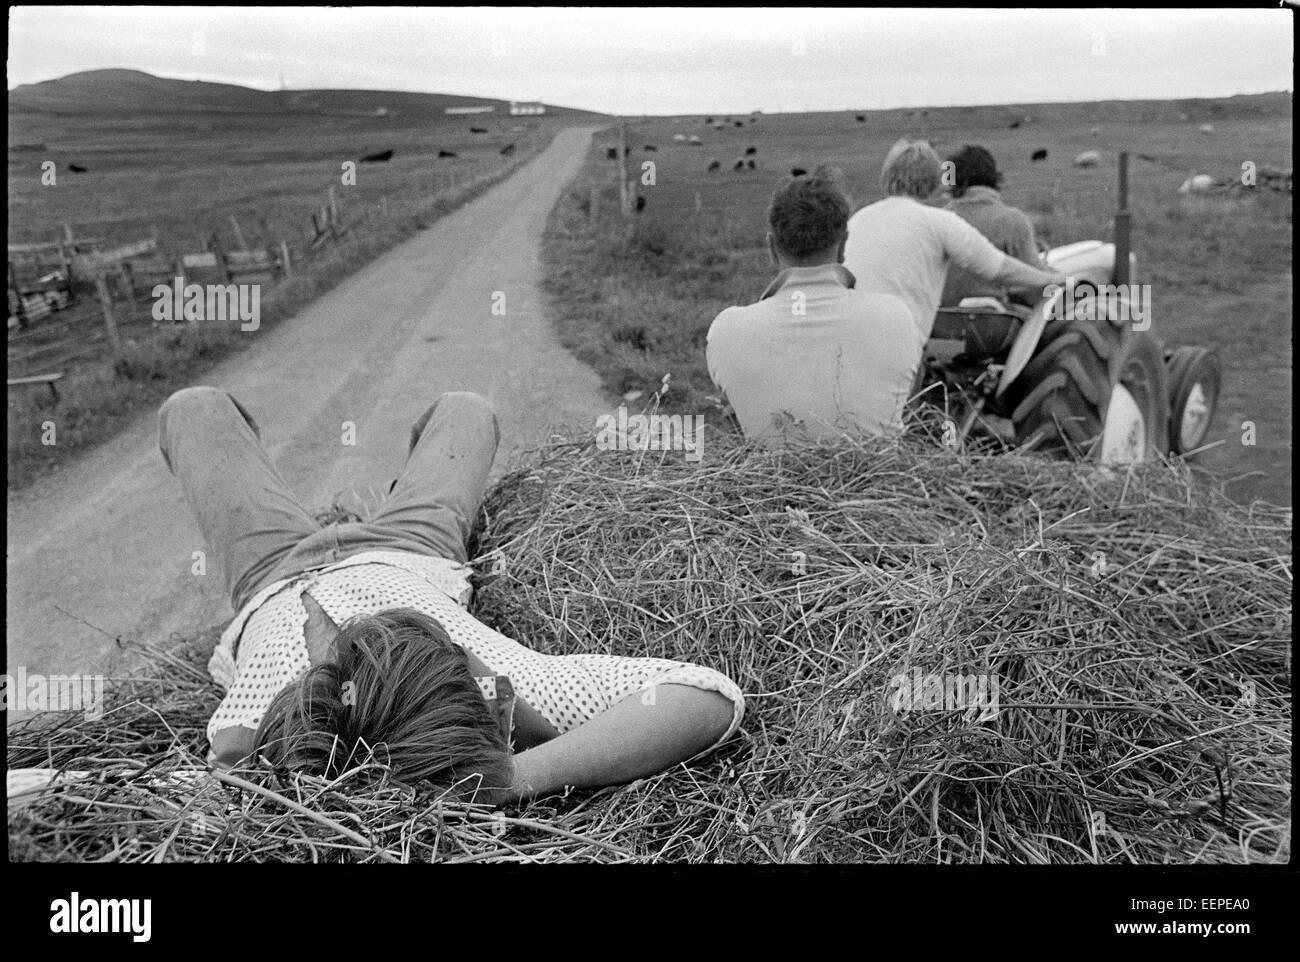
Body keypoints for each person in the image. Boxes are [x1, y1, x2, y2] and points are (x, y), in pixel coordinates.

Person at [159, 386, 743, 803]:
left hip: (271, 571)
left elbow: (197, 780)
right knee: (466, 409)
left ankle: (383, 489)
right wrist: (513, 777)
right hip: (411, 547)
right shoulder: (515, 681)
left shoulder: (261, 733)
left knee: (192, 408)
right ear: (476, 677)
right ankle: (401, 488)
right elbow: (708, 697)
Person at [705, 167, 921, 444]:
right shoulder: (895, 317)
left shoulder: (726, 331)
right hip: (878, 483)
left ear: (772, 248)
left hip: (769, 485)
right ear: (843, 245)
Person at [842, 139, 1067, 345]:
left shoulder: (860, 218)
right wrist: (1054, 279)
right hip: (982, 327)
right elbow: (1001, 269)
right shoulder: (943, 222)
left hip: (873, 327)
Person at [940, 144, 1044, 308]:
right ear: (993, 177)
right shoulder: (1012, 220)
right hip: (996, 324)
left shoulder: (939, 219)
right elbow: (1035, 288)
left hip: (943, 321)